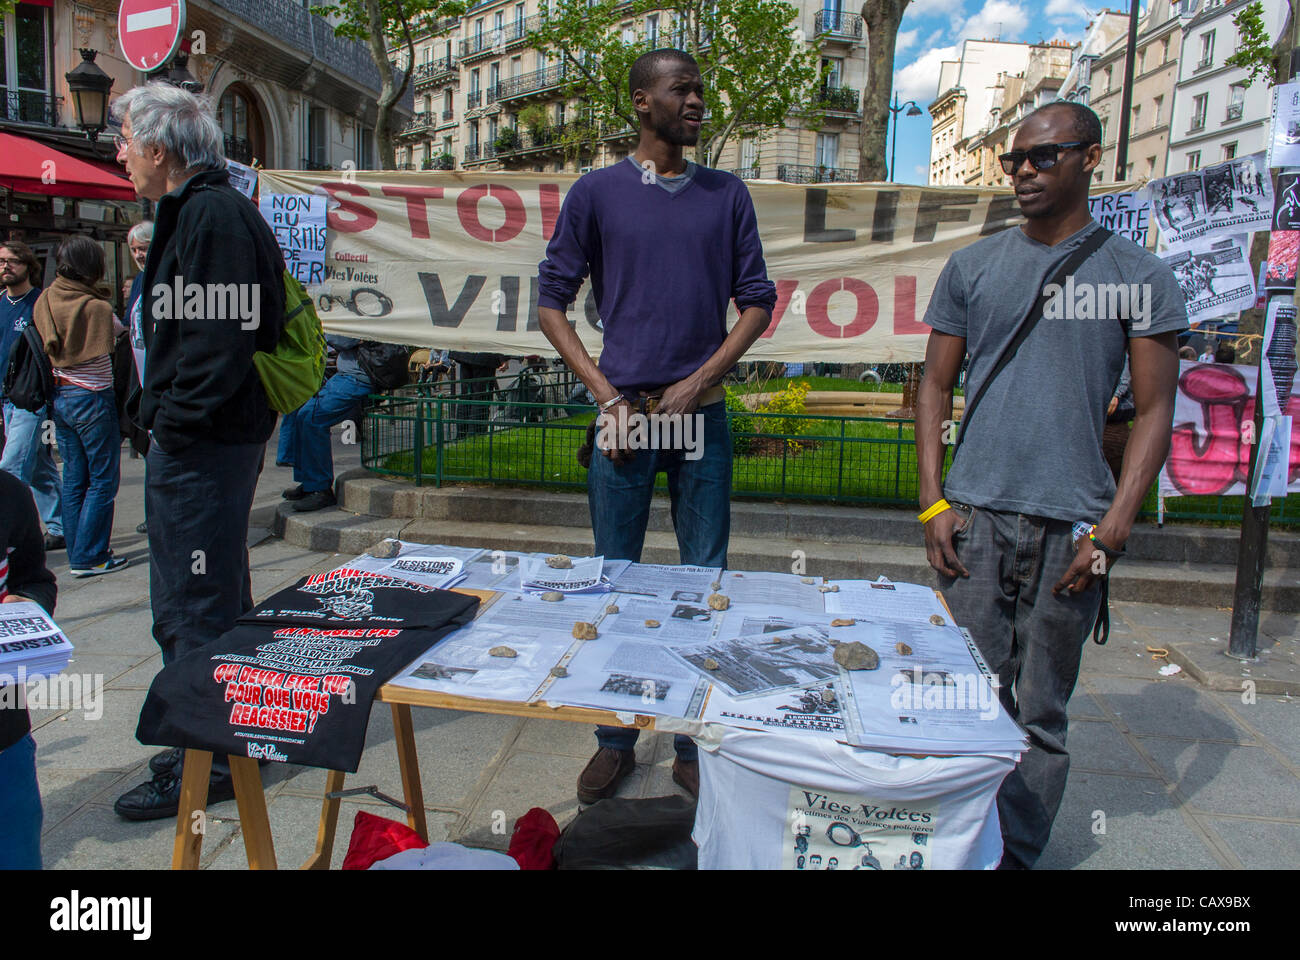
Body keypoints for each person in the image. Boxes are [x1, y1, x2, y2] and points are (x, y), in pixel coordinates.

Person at [916, 101, 1186, 869]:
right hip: (974, 518)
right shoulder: (974, 265)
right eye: (1014, 161)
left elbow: (1156, 408)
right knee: (961, 700)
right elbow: (933, 387)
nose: (1024, 172)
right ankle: (955, 844)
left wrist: (1114, 529)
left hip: (1074, 528)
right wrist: (935, 498)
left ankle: (1017, 856)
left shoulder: (1140, 275)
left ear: (1091, 158)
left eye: (1043, 157)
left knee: (1040, 712)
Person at [536, 48, 776, 804]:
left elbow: (757, 302)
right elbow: (551, 302)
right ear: (643, 102)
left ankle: (692, 741)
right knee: (618, 581)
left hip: (699, 419)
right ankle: (614, 737)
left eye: (703, 88)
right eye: (684, 90)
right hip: (627, 421)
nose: (698, 101)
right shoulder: (598, 193)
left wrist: (701, 380)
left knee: (703, 584)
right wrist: (606, 396)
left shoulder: (726, 194)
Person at [110, 82, 286, 820]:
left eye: (124, 139)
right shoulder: (206, 209)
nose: (117, 152)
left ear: (158, 147)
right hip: (210, 440)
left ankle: (206, 760)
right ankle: (225, 737)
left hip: (203, 445)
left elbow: (220, 343)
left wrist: (170, 424)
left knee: (191, 604)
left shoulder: (209, 214)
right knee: (212, 595)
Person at [31, 236, 128, 577]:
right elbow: (119, 334)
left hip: (60, 397)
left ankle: (77, 554)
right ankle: (91, 556)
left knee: (74, 478)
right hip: (92, 397)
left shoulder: (46, 299)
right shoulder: (95, 306)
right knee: (103, 479)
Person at [0, 470, 58, 868]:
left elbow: (35, 578)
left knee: (17, 846)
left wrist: (28, 603)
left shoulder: (9, 494)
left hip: (6, 728)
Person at [0, 240, 64, 551]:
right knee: (39, 466)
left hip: (30, 399)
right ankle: (61, 526)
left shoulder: (40, 302)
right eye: (2, 261)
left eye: (13, 261)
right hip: (5, 399)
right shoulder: (0, 302)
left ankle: (9, 537)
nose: (6, 266)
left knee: (11, 467)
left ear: (28, 266)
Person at [280, 335, 374, 512]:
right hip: (348, 374)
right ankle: (309, 482)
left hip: (358, 375)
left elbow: (344, 340)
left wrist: (324, 329)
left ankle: (319, 488)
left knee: (311, 419)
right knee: (297, 409)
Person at [120, 221, 153, 536]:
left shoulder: (166, 276)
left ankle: (157, 513)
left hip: (157, 380)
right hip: (139, 378)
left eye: (144, 247)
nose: (139, 254)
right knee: (148, 450)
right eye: (134, 249)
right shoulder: (141, 280)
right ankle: (152, 513)